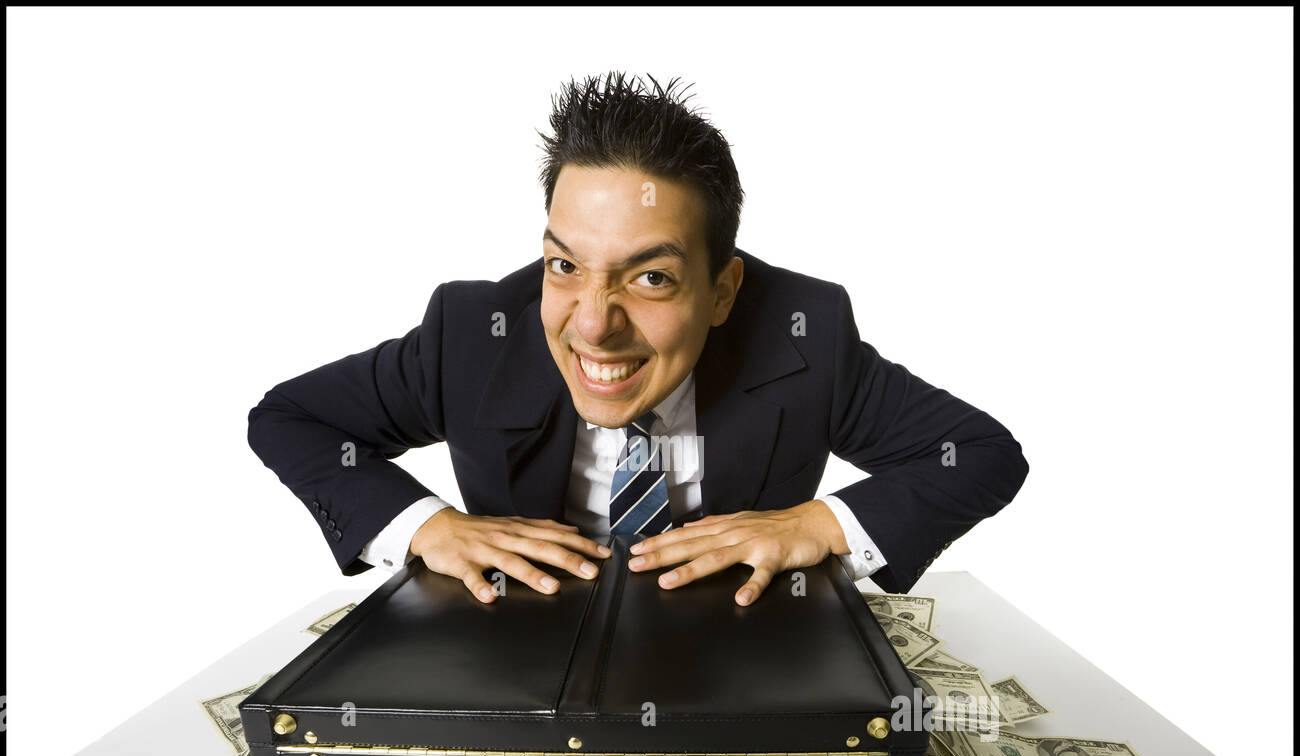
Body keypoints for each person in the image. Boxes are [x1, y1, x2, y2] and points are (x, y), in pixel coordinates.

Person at [248, 72, 1029, 607]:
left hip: (736, 688)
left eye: (650, 279)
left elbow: (981, 453)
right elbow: (288, 417)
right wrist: (424, 525)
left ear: (723, 291)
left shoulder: (805, 337)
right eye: (565, 265)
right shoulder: (470, 336)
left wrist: (818, 524)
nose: (592, 323)